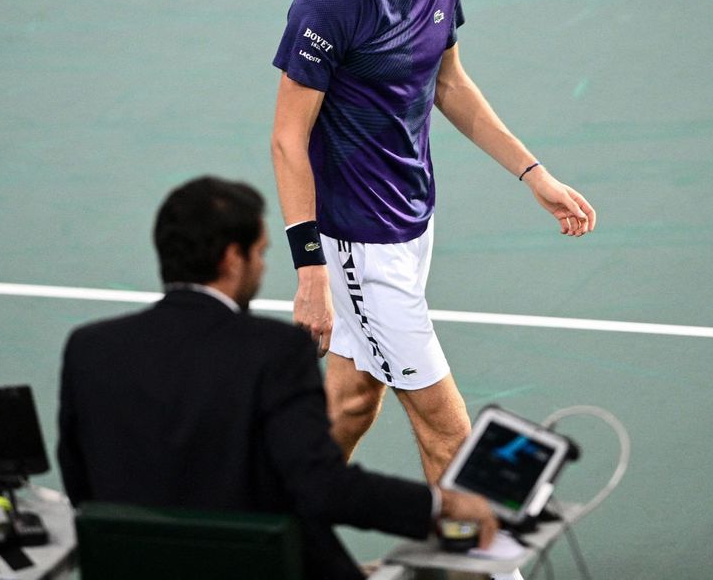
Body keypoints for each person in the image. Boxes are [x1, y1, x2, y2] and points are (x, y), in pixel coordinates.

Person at [270, 0, 598, 485]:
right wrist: (312, 275)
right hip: (358, 249)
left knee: (352, 403)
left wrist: (534, 174)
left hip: (412, 226)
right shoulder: (329, 5)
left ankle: (270, 535)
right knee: (452, 437)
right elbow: (287, 138)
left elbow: (448, 83)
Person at [56, 176, 497, 580]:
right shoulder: (275, 351)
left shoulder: (90, 349)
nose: (263, 268)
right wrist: (439, 505)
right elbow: (321, 487)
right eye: (261, 254)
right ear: (233, 259)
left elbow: (80, 484)